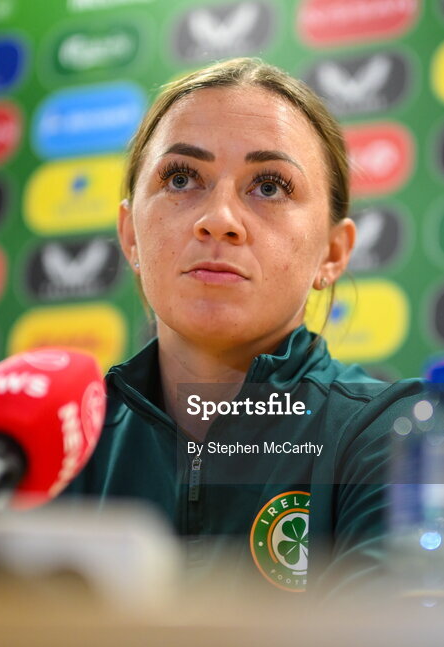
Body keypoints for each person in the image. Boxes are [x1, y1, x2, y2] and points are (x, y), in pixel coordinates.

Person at [65, 57, 423, 599]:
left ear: (333, 252)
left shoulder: (399, 438)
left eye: (270, 186)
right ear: (130, 233)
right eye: (181, 178)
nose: (220, 219)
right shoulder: (61, 447)